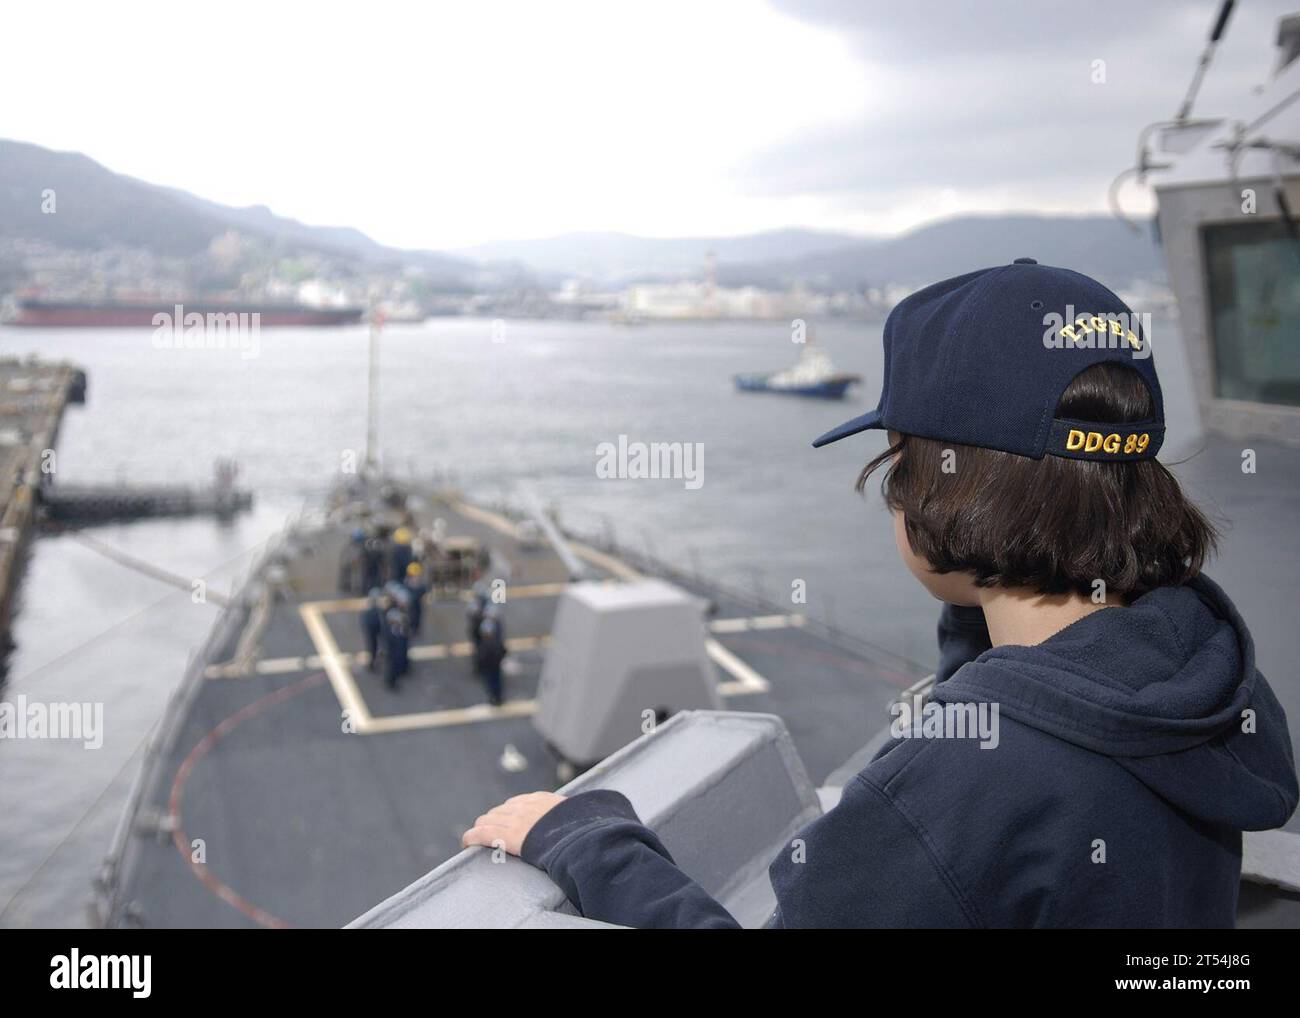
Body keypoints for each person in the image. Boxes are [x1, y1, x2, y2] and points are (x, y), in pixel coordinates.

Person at [462, 259, 1299, 929]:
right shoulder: (1203, 671)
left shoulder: (956, 784)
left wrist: (588, 840)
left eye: (900, 462)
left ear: (947, 490)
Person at [475, 606, 506, 707]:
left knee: (491, 683)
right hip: (496, 666)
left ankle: (495, 698)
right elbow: (503, 651)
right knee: (497, 682)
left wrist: (479, 667)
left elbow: (481, 657)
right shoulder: (496, 641)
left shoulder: (485, 644)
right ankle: (498, 698)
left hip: (490, 667)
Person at [381, 601, 410, 690]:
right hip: (392, 654)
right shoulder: (388, 631)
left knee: (395, 668)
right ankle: (391, 683)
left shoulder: (399, 629)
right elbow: (385, 643)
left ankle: (393, 680)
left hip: (397, 654)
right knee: (391, 669)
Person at [360, 587, 384, 672]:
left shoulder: (368, 610)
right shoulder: (378, 610)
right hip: (374, 632)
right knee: (374, 648)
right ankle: (373, 663)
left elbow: (364, 622)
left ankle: (373, 662)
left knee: (372, 647)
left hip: (372, 632)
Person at [402, 562, 428, 637]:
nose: (416, 578)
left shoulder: (421, 586)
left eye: (417, 576)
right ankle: (410, 628)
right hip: (410, 605)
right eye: (414, 576)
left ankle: (416, 629)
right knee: (409, 615)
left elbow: (424, 596)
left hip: (417, 605)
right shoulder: (406, 584)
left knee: (417, 615)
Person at [338, 529, 366, 594]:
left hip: (358, 583)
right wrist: (352, 562)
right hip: (348, 583)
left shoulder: (362, 548)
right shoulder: (349, 548)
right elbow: (344, 562)